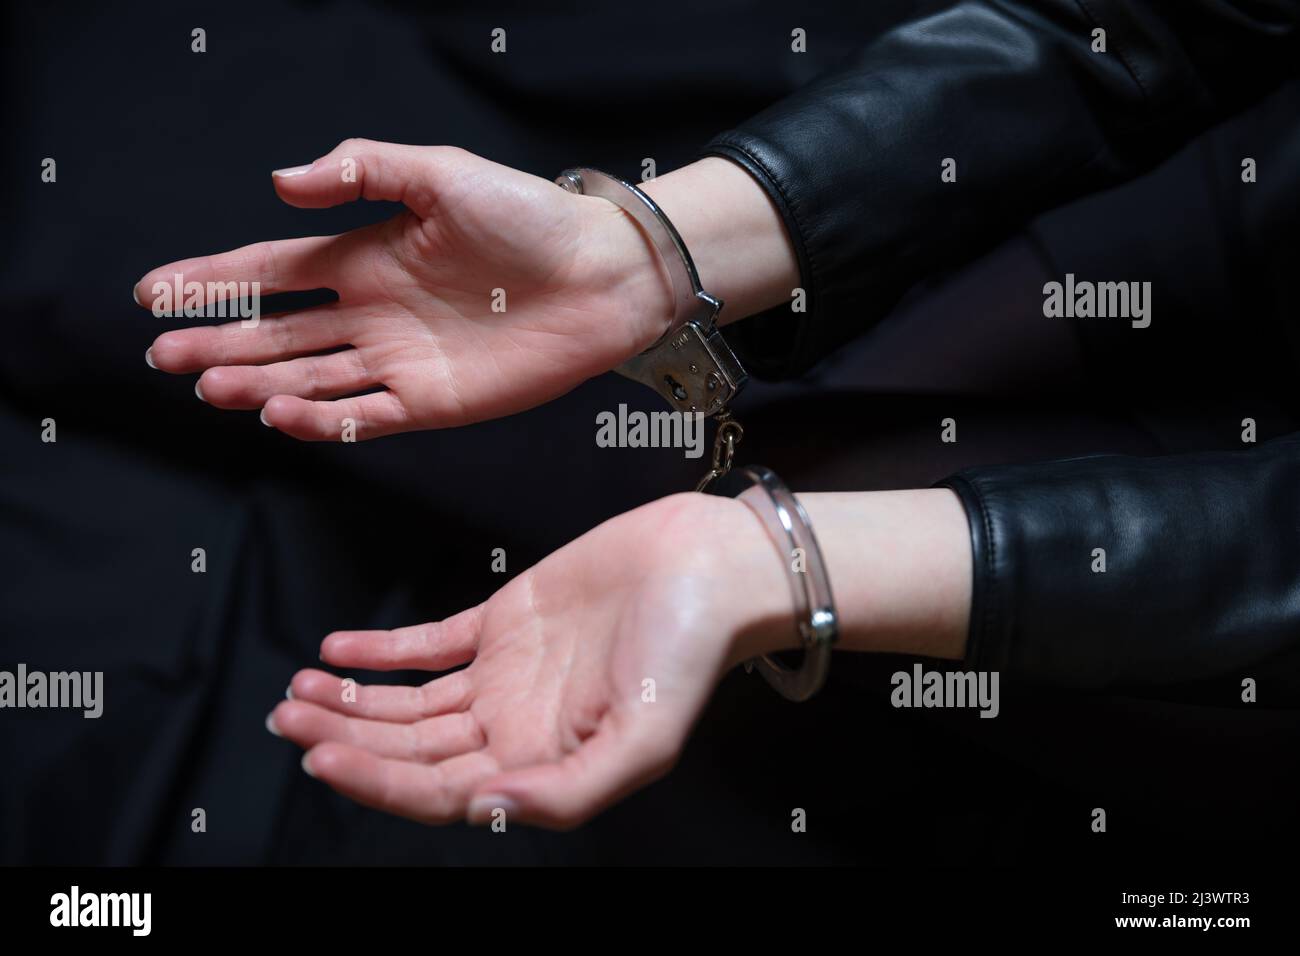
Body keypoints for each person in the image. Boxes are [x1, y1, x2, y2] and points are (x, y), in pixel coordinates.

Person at [136, 0, 1300, 829]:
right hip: (1230, 195)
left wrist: (770, 563)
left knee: (808, 673)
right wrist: (645, 249)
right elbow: (1151, 23)